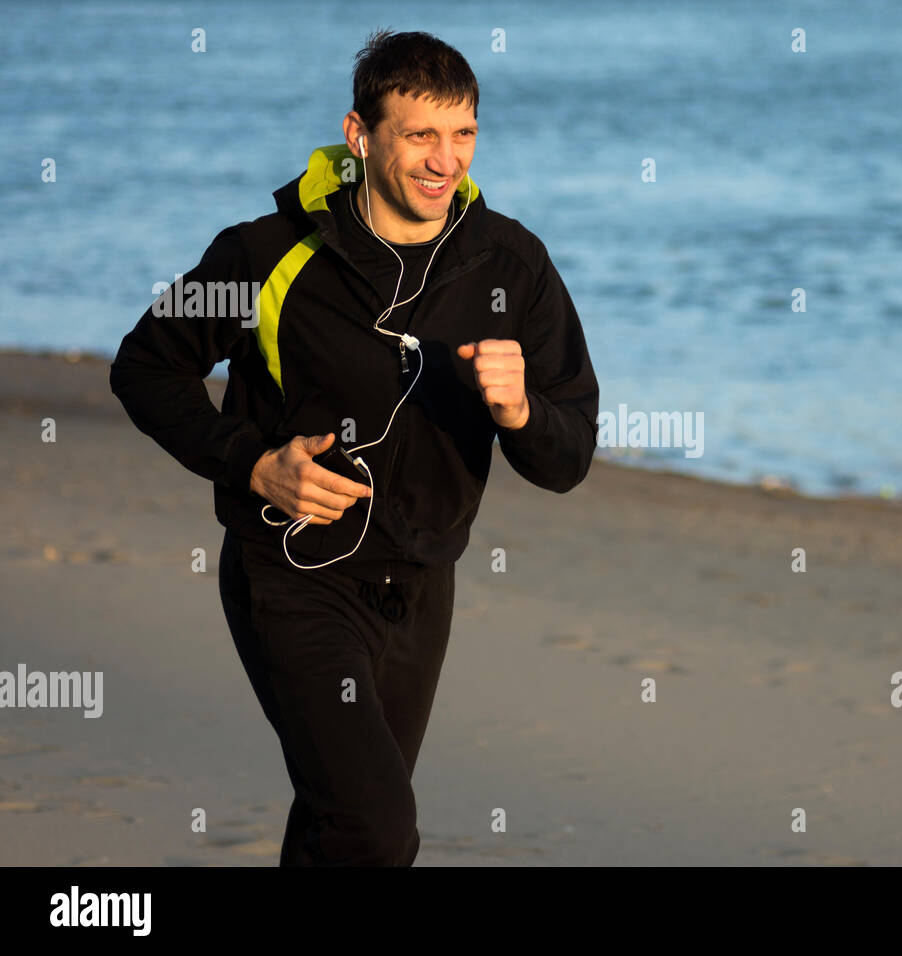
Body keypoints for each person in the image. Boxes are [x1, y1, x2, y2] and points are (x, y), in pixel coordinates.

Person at [109, 29, 600, 866]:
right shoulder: (266, 253)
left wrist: (521, 414)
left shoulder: (510, 264)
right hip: (291, 577)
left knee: (340, 825)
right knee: (375, 828)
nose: (445, 161)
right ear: (360, 135)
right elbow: (146, 367)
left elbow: (568, 457)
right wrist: (253, 463)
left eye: (464, 134)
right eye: (419, 136)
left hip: (420, 584)